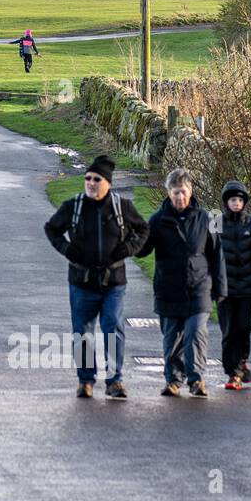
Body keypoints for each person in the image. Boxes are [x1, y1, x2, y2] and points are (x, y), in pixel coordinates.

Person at [43, 156, 149, 399]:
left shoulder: (123, 208)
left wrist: (128, 249)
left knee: (112, 327)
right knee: (82, 332)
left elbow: (143, 229)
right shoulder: (73, 206)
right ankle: (86, 381)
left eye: (96, 179)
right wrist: (67, 249)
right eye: (88, 178)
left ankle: (114, 380)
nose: (91, 183)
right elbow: (51, 229)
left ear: (108, 183)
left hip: (113, 282)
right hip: (81, 281)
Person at [139, 168, 226, 398]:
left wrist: (220, 287)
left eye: (184, 192)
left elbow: (217, 254)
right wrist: (133, 235)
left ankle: (196, 379)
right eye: (176, 193)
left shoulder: (208, 218)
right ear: (168, 193)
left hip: (198, 288)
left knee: (195, 334)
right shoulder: (157, 220)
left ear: (191, 191)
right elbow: (142, 249)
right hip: (168, 289)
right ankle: (173, 380)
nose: (180, 197)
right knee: (172, 339)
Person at [216, 180, 251, 390]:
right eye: (232, 200)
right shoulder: (217, 223)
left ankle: (242, 359)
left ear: (244, 202)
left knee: (244, 327)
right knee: (229, 330)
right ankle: (233, 372)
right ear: (226, 202)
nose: (236, 203)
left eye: (239, 200)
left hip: (246, 288)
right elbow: (210, 254)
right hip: (224, 289)